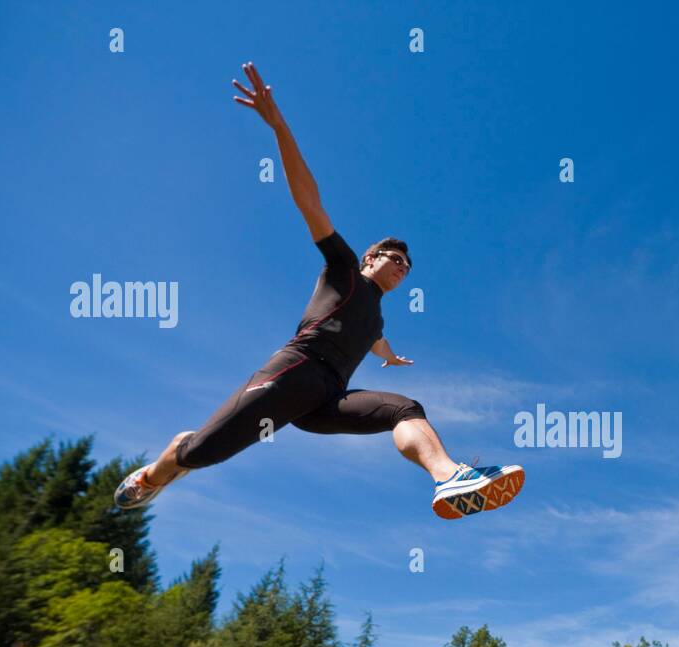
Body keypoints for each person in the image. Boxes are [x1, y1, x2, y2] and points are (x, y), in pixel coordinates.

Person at [114, 62, 524, 521]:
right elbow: (308, 199)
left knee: (404, 407)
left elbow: (370, 336)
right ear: (371, 258)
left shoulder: (377, 317)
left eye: (407, 267)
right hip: (294, 372)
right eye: (394, 258)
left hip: (327, 399)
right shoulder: (344, 269)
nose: (401, 268)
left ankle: (449, 477)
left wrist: (386, 355)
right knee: (203, 451)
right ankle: (159, 471)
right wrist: (279, 126)